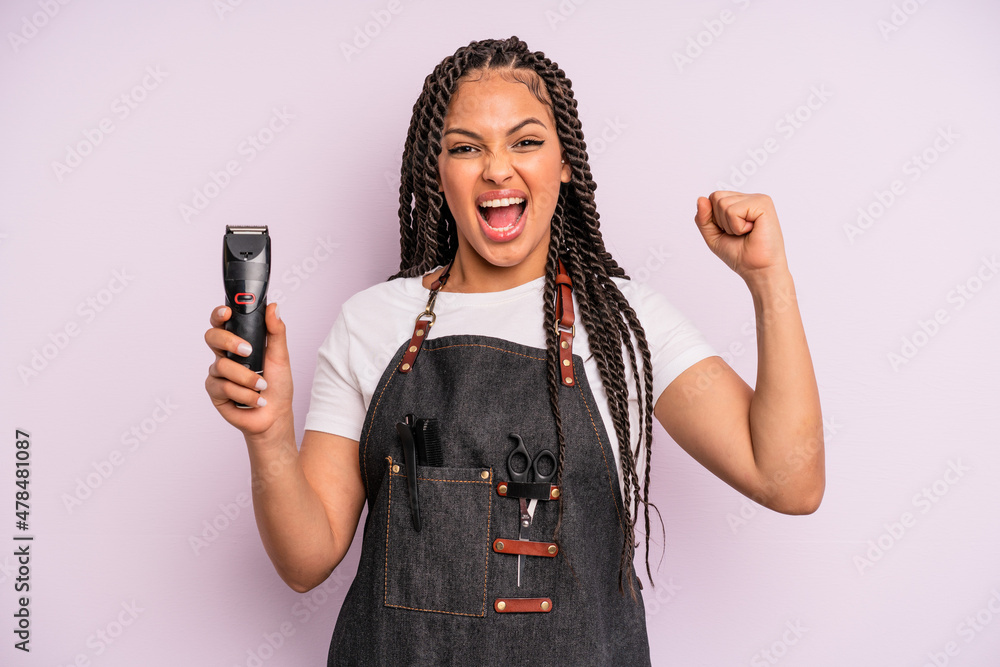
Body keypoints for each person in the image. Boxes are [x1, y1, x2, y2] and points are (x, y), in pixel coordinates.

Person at [204, 36, 824, 666]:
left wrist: (768, 279)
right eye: (466, 147)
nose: (497, 168)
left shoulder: (622, 325)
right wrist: (270, 432)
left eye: (525, 141)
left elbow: (789, 480)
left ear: (565, 164)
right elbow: (306, 561)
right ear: (436, 170)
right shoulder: (370, 323)